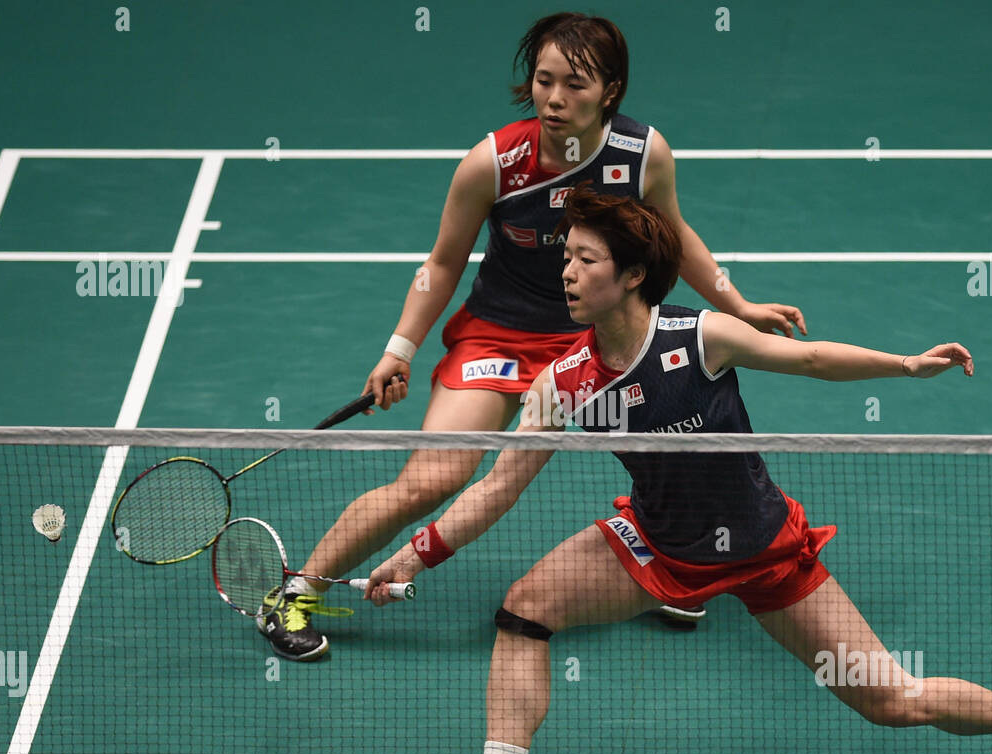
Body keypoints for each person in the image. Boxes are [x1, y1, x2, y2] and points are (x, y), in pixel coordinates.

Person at [364, 187, 992, 754]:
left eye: (585, 259)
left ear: (632, 274)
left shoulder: (695, 337)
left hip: (766, 554)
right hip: (657, 545)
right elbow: (499, 484)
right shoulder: (564, 385)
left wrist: (906, 365)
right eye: (566, 256)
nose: (566, 272)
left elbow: (805, 356)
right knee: (525, 608)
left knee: (891, 698)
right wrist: (415, 550)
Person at [261, 12, 806, 660]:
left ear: (611, 89)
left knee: (682, 444)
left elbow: (675, 236)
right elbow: (441, 263)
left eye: (574, 84)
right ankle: (292, 591)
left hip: (603, 337)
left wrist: (738, 305)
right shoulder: (494, 163)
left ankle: (680, 567)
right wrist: (399, 348)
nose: (553, 98)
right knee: (432, 480)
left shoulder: (641, 156)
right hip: (498, 336)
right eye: (543, 81)